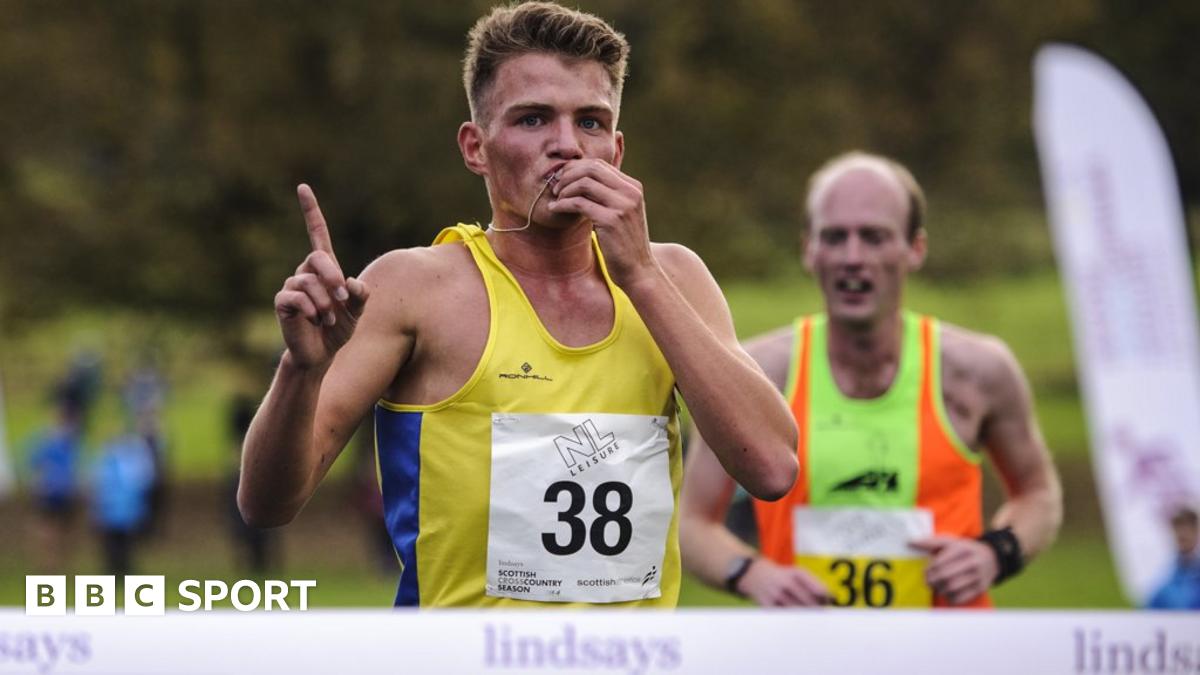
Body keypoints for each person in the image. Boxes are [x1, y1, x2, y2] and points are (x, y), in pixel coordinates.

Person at [238, 1, 797, 608]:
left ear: (616, 148)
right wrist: (302, 370)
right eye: (533, 120)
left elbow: (771, 468)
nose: (565, 145)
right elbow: (266, 505)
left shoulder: (673, 279)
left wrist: (640, 273)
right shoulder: (414, 289)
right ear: (475, 147)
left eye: (590, 122)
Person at [680, 151, 1063, 608]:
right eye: (835, 237)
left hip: (946, 655)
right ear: (809, 249)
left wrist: (995, 553)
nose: (853, 258)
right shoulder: (759, 372)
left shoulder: (978, 371)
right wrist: (753, 573)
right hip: (809, 654)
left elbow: (1039, 494)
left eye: (875, 237)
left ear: (914, 248)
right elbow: (691, 521)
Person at [1146, 506, 1200, 610]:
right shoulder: (1165, 577)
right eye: (1178, 528)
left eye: (1187, 527)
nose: (1182, 533)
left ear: (1196, 531)